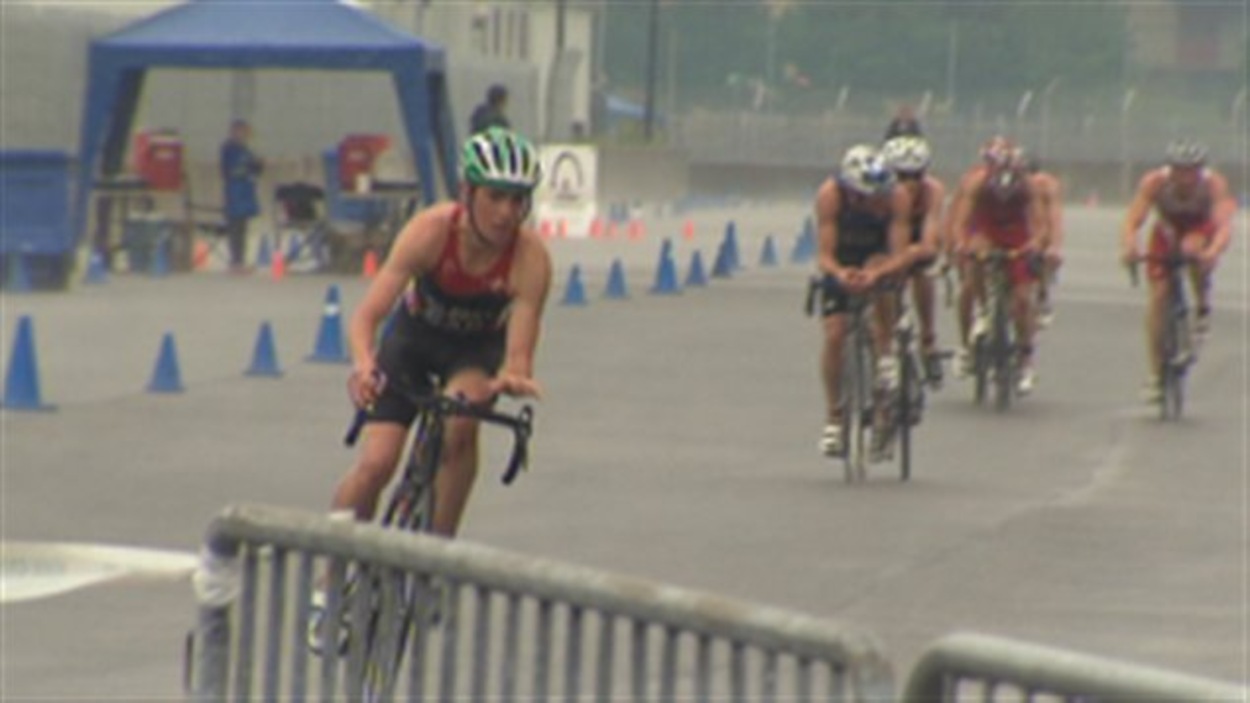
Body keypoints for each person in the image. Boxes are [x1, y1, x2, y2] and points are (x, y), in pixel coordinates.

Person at [327, 127, 550, 540]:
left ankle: (435, 556)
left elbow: (518, 355)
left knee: (461, 430)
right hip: (413, 342)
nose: (506, 213)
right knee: (377, 463)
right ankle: (330, 569)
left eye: (518, 200)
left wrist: (512, 378)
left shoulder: (530, 259)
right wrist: (363, 365)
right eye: (495, 197)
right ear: (468, 193)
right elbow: (367, 317)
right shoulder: (430, 231)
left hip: (473, 353)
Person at [815, 144, 921, 458]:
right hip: (843, 256)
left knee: (881, 277)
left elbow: (900, 253)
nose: (874, 203)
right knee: (835, 333)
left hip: (879, 255)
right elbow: (824, 254)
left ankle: (885, 358)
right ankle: (834, 417)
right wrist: (840, 274)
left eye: (879, 196)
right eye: (866, 197)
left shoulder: (897, 196)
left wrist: (879, 274)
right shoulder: (830, 195)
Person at [1120, 138, 1237, 401]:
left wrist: (1213, 251)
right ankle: (1155, 373)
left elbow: (1223, 225)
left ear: (1200, 170)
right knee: (1158, 298)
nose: (1185, 177)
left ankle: (1202, 305)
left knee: (1193, 249)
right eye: (1179, 170)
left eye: (1191, 171)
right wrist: (1129, 246)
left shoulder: (1212, 184)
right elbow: (1133, 218)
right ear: (1170, 170)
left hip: (1199, 228)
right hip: (1167, 230)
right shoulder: (1155, 182)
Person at [947, 143, 1047, 395]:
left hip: (1016, 231)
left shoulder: (1028, 186)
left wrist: (1034, 245)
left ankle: (1025, 358)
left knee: (1023, 300)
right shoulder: (976, 183)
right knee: (973, 270)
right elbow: (961, 221)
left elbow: (1039, 223)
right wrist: (961, 244)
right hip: (986, 228)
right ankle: (976, 324)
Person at [880, 134, 947, 384]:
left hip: (917, 238)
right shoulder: (879, 191)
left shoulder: (933, 190)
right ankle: (884, 347)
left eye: (916, 175)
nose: (910, 183)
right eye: (901, 176)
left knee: (923, 272)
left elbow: (930, 235)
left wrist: (916, 252)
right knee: (883, 285)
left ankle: (928, 338)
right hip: (886, 236)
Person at [1019, 150, 1064, 329]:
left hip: (1037, 232)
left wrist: (1054, 246)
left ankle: (1042, 292)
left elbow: (1053, 218)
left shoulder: (1045, 185)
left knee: (1043, 254)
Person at [219, 119, 264, 273]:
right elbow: (230, 170)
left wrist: (258, 165)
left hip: (246, 190)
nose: (244, 135)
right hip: (235, 190)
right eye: (242, 131)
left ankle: (241, 260)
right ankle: (235, 261)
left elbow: (254, 169)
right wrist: (247, 167)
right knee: (235, 226)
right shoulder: (229, 149)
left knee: (243, 227)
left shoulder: (246, 149)